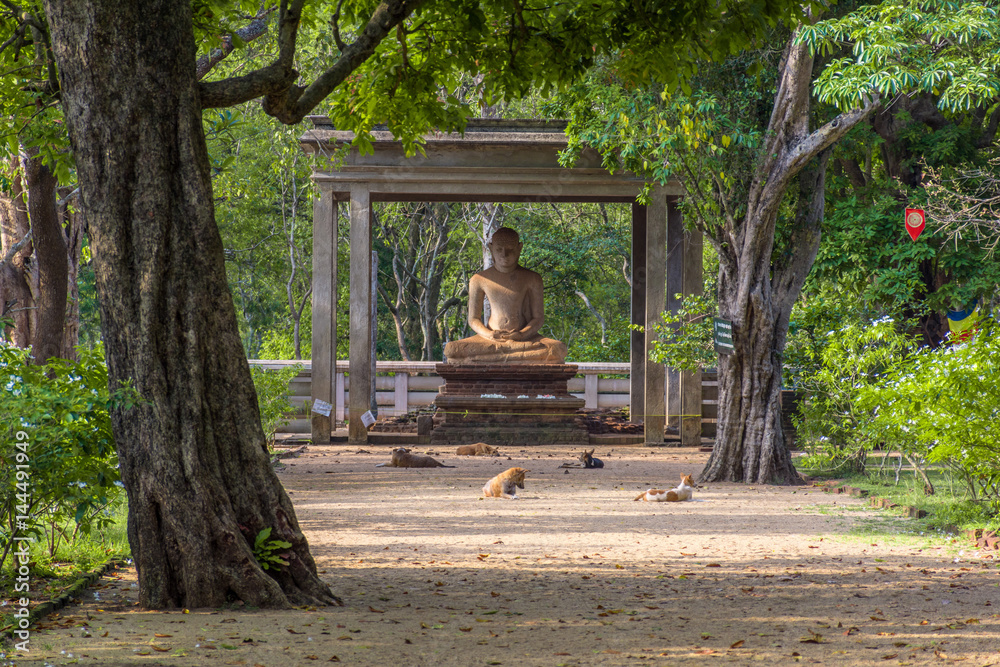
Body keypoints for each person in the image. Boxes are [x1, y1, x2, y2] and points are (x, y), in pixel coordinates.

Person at [444, 227, 566, 364]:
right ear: (491, 248)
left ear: (519, 248)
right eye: (499, 249)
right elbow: (473, 319)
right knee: (451, 349)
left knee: (557, 349)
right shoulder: (479, 279)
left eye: (510, 249)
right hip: (489, 338)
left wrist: (521, 334)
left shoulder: (532, 278)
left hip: (525, 339)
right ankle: (513, 355)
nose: (504, 254)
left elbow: (538, 318)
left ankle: (494, 356)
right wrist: (489, 334)